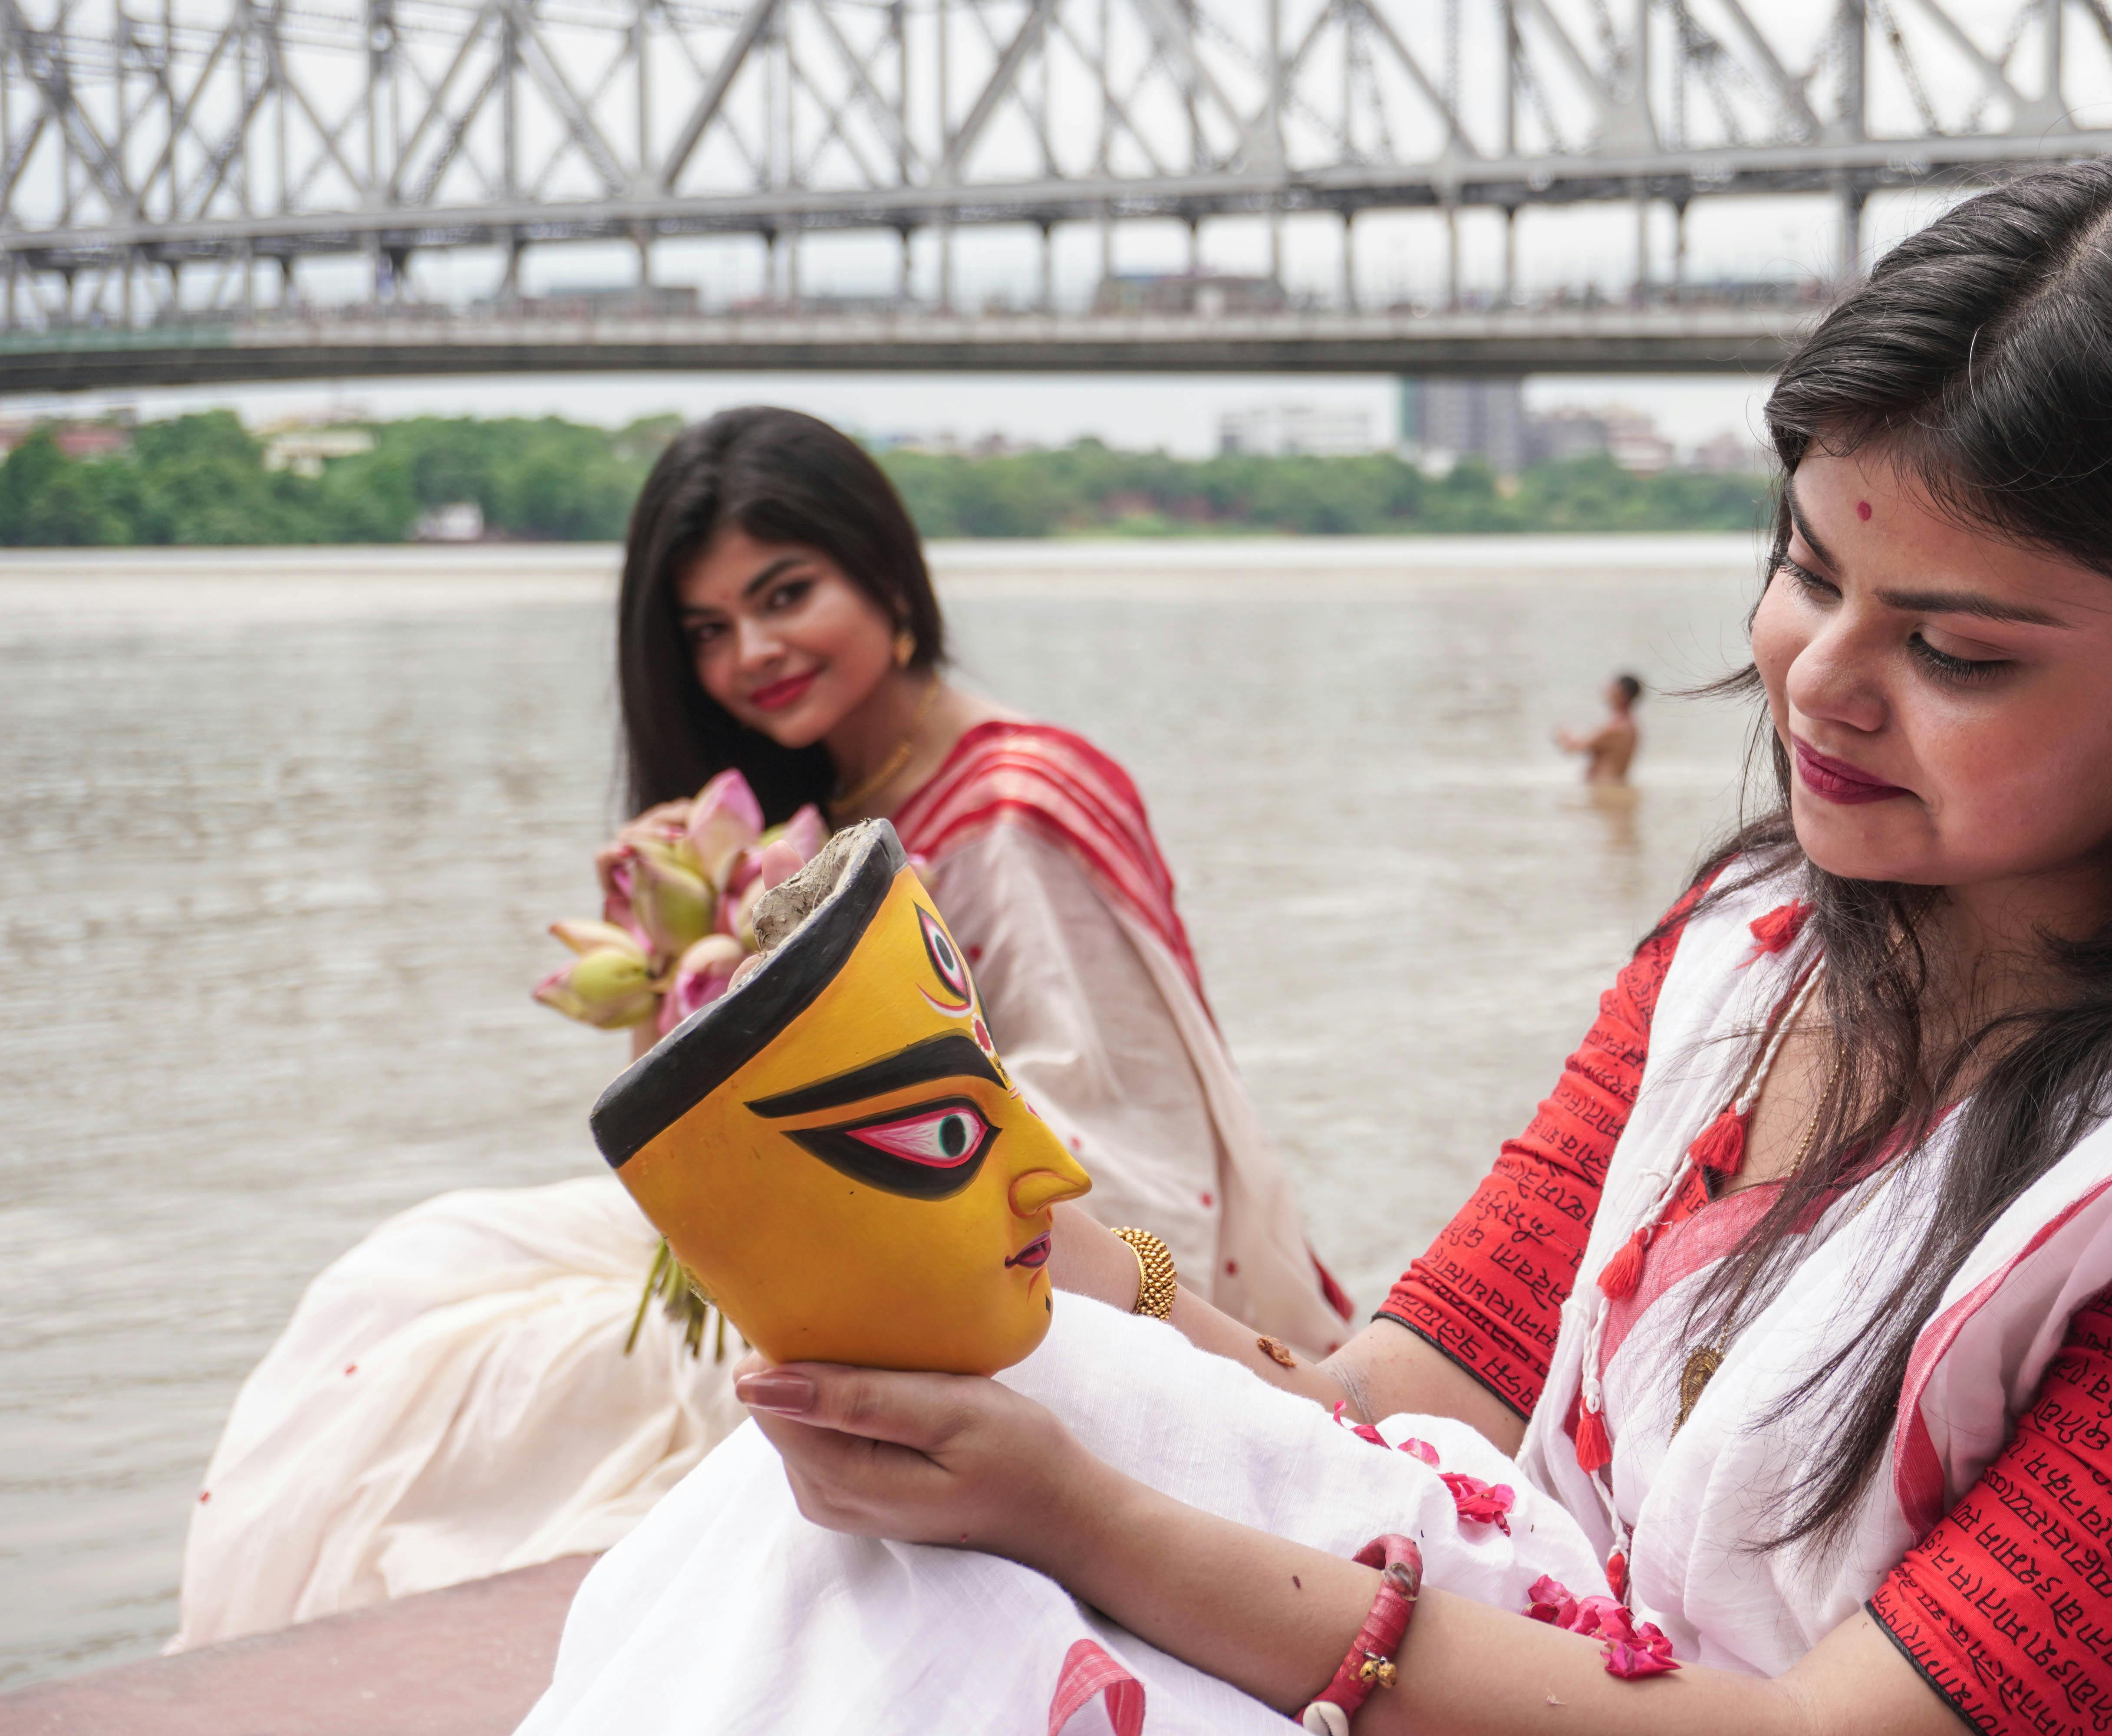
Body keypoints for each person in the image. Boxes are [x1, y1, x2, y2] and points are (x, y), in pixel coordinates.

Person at [524, 159, 2112, 1736]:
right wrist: (979, 1229)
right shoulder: (1753, 959)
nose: (1816, 684)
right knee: (840, 1544)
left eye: (1955, 649)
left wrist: (1084, 1513)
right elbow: (1392, 1392)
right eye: (1802, 571)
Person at [171, 408, 1348, 1651]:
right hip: (861, 1238)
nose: (753, 653)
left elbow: (1133, 1150)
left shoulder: (1009, 814)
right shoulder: (823, 802)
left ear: (887, 576)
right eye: (709, 630)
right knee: (416, 1288)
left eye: (787, 595)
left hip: (1003, 1269)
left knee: (483, 1397)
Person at [1555, 673, 1642, 784]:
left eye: (1613, 687)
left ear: (1621, 694)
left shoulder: (1617, 728)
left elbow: (1575, 747)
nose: (1608, 690)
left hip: (1604, 788)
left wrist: (1563, 735)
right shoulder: (1632, 727)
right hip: (1613, 786)